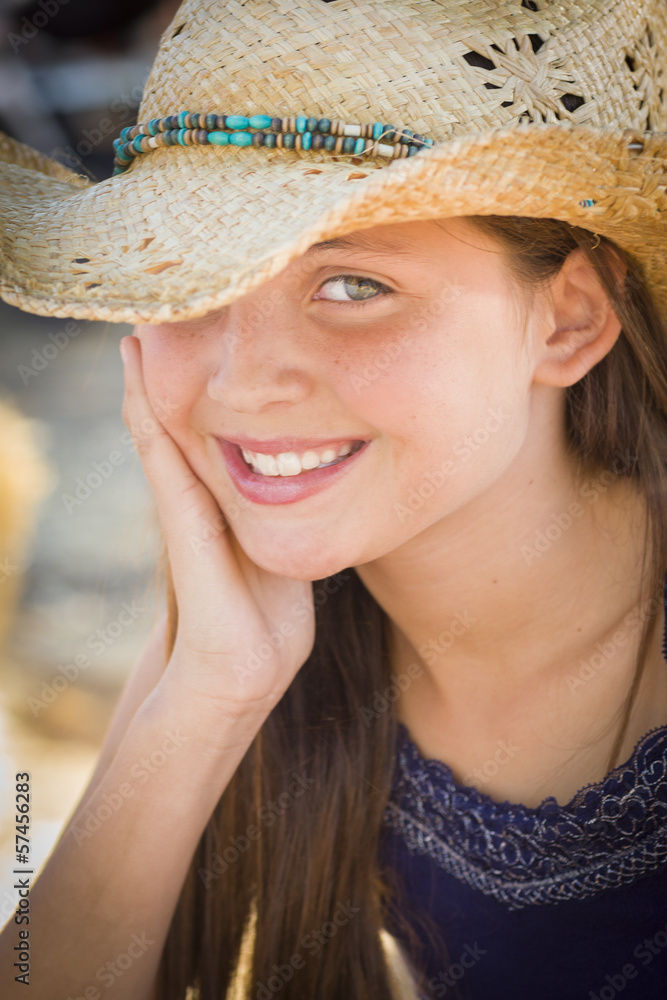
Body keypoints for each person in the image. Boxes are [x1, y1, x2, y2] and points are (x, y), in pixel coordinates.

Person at [0, 1, 666, 998]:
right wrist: (208, 692)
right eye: (190, 282)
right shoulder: (252, 626)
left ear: (568, 319)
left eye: (353, 286)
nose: (240, 383)